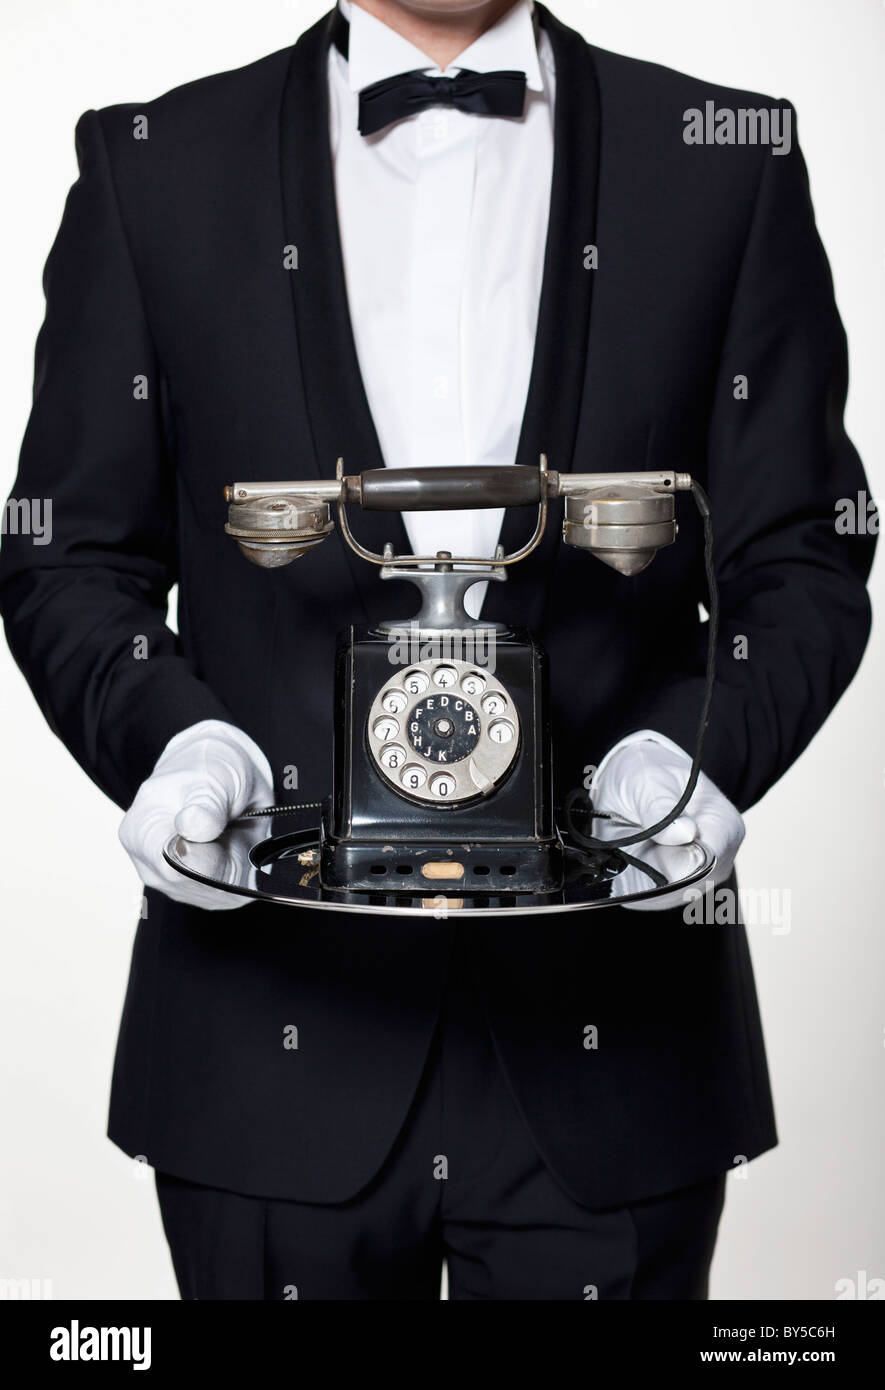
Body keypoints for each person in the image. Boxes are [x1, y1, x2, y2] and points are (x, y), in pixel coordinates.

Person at [0, 0, 874, 1299]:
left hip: (615, 1048)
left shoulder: (720, 156)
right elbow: (67, 548)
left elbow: (803, 545)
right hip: (267, 1040)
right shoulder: (154, 161)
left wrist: (693, 751)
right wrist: (173, 742)